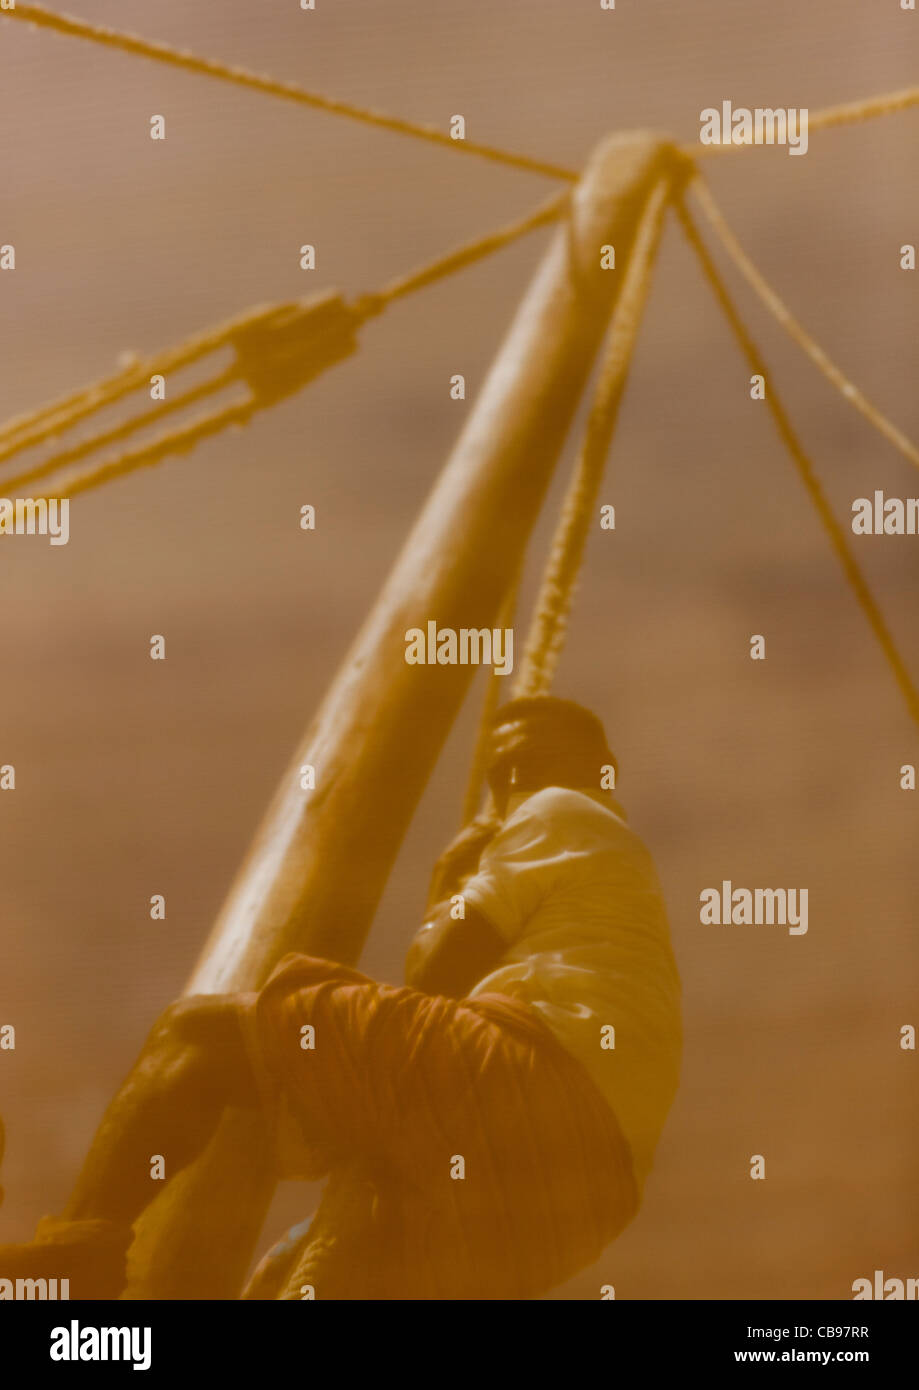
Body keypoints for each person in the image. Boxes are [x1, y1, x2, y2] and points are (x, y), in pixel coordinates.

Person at [44, 695, 682, 1300]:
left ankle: (71, 1265)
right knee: (290, 1276)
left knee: (198, 1037)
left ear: (602, 772)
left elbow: (435, 973)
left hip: (523, 1083)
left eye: (532, 762)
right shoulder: (623, 887)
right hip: (572, 1210)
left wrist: (445, 889)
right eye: (501, 772)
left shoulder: (561, 811)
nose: (513, 782)